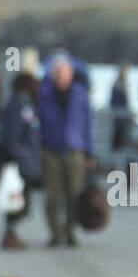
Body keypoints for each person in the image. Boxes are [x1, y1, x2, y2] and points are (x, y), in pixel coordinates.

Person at [37, 54, 95, 248]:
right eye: (56, 72)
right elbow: (37, 123)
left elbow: (88, 124)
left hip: (74, 150)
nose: (59, 76)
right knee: (52, 195)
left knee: (74, 194)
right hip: (50, 150)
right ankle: (54, 233)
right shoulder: (43, 94)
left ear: (70, 74)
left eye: (62, 72)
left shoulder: (80, 95)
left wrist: (90, 152)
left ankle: (70, 231)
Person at [0, 72, 41, 250]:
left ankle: (10, 234)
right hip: (17, 162)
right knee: (15, 201)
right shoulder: (18, 105)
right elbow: (12, 136)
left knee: (20, 201)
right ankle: (9, 235)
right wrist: (23, 156)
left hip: (22, 160)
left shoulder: (24, 104)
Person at [110, 63, 132, 151]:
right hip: (120, 117)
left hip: (122, 116)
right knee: (121, 140)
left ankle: (127, 163)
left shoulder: (122, 83)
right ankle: (121, 162)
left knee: (122, 140)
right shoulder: (119, 84)